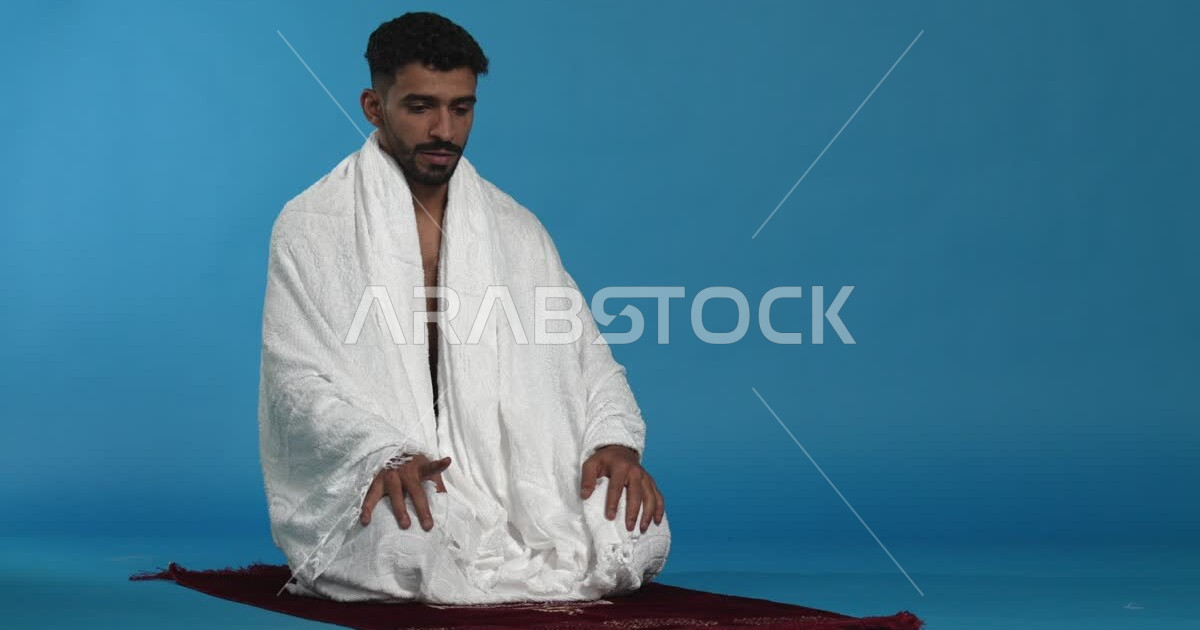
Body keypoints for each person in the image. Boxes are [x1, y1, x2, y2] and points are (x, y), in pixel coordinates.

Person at [258, 12, 670, 605]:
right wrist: (383, 453)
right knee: (413, 542)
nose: (444, 130)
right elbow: (294, 378)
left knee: (637, 531)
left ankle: (505, 556)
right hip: (390, 476)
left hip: (517, 486)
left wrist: (615, 445)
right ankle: (437, 536)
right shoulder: (311, 225)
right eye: (420, 107)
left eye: (461, 108)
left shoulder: (516, 228)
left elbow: (587, 356)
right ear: (374, 106)